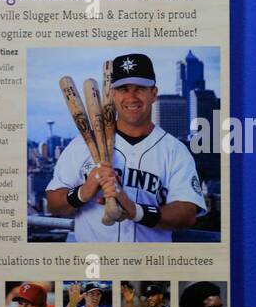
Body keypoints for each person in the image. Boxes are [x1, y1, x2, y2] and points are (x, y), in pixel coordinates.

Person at [46, 53, 205, 243]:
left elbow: (187, 214)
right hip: (95, 266)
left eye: (140, 88)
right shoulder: (81, 145)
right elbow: (53, 203)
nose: (131, 97)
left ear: (153, 94)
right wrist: (82, 192)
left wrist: (134, 210)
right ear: (112, 95)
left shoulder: (175, 150)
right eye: (123, 88)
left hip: (149, 267)